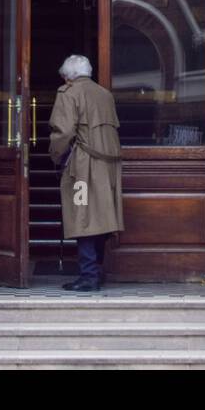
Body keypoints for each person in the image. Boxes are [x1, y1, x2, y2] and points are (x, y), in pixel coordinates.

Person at [48, 54, 124, 292]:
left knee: (83, 218)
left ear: (67, 76)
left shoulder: (68, 93)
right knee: (100, 218)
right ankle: (96, 271)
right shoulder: (105, 94)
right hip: (108, 167)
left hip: (83, 165)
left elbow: (62, 133)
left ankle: (89, 276)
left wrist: (55, 157)